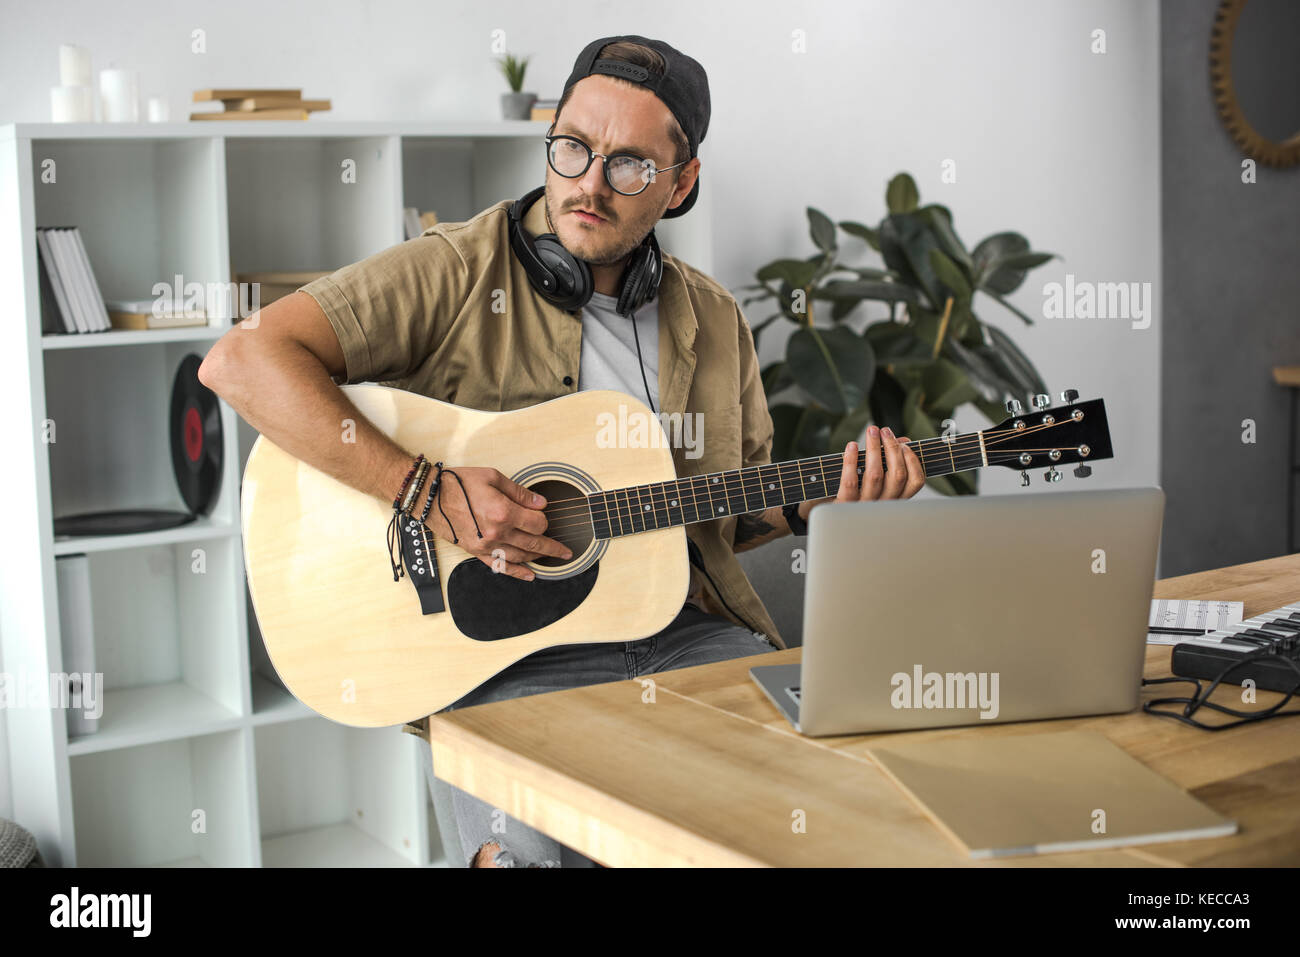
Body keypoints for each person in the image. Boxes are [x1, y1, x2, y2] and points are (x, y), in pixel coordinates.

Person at [199, 35, 926, 868]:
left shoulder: (716, 321)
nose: (587, 182)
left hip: (685, 635)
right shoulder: (456, 270)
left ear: (681, 183)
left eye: (628, 165)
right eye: (572, 147)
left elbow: (727, 514)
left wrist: (807, 502)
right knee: (529, 854)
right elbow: (244, 359)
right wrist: (421, 487)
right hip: (500, 663)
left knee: (827, 798)